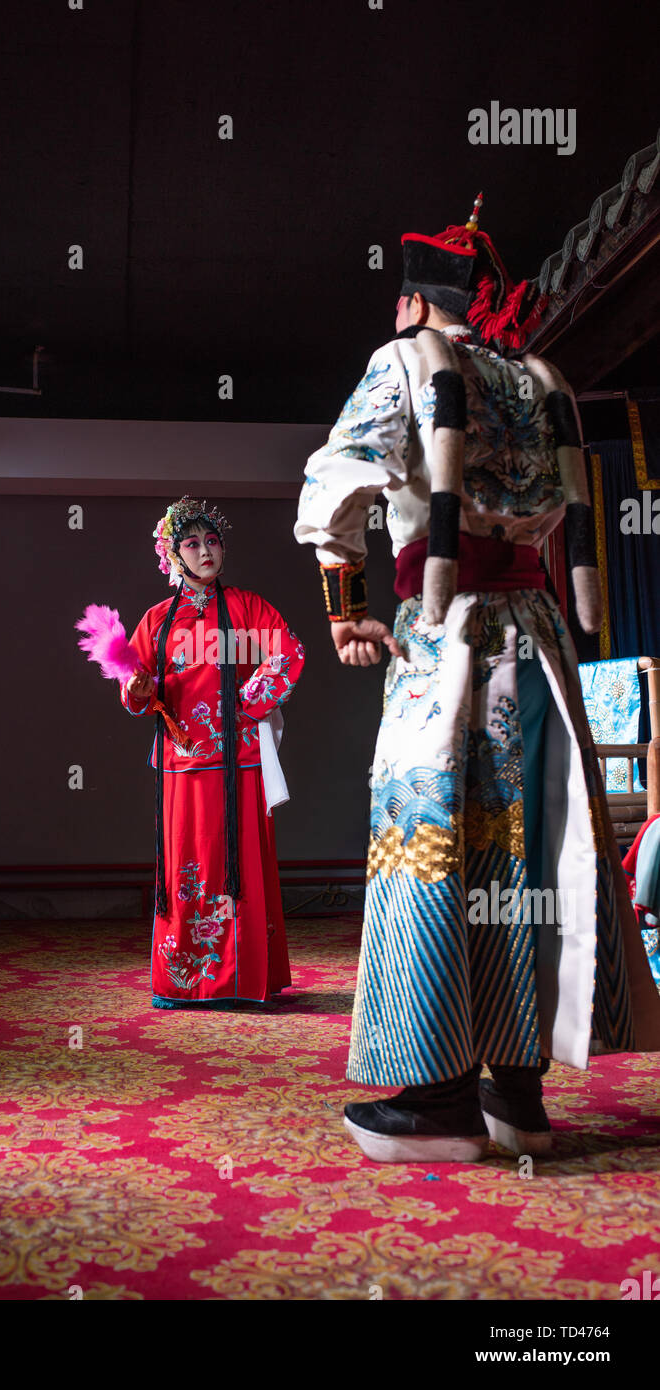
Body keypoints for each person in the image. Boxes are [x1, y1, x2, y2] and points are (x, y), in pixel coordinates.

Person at [294, 194, 660, 1162]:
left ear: (414, 304)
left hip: (446, 635)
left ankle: (438, 1094)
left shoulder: (407, 362)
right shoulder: (540, 381)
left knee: (433, 836)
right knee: (533, 843)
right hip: (538, 637)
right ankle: (519, 1088)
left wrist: (343, 601)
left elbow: (337, 474)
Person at [120, 495, 305, 1008]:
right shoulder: (157, 619)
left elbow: (289, 651)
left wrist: (250, 702)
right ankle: (186, 981)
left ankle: (244, 980)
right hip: (183, 763)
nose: (206, 551)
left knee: (239, 869)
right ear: (174, 555)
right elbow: (136, 691)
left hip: (239, 764)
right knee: (188, 865)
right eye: (193, 544)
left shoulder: (248, 607)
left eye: (213, 541)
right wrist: (138, 690)